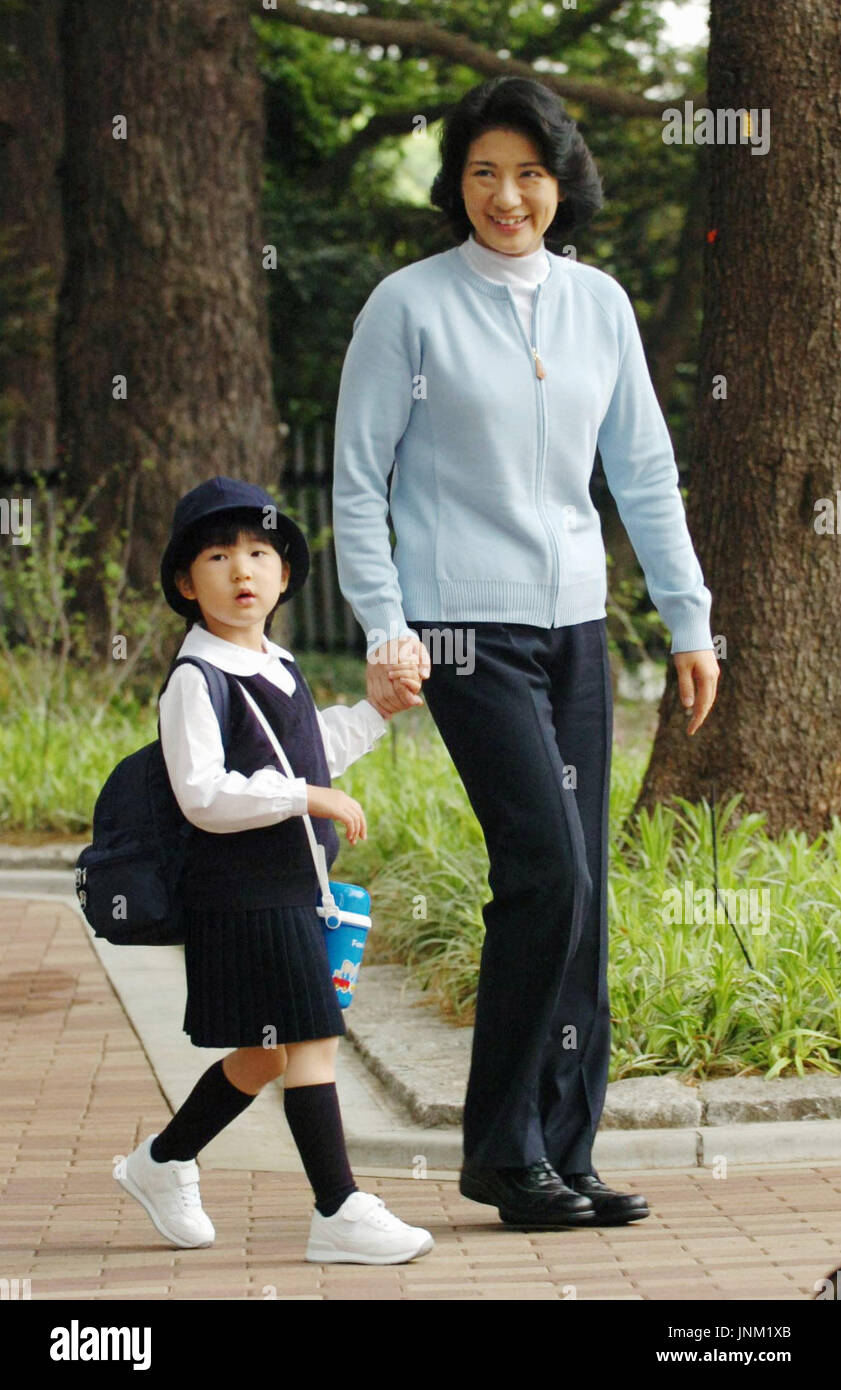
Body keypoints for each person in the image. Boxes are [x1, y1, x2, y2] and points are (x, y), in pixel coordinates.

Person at [332, 76, 720, 1230]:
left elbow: (642, 472)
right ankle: (502, 1151)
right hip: (460, 626)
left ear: (562, 184)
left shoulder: (598, 304)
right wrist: (384, 623)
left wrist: (689, 619)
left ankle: (565, 1146)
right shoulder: (407, 306)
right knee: (545, 866)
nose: (509, 194)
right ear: (458, 182)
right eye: (486, 171)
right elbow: (359, 480)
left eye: (531, 172)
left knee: (583, 887)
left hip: (573, 625)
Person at [116, 475, 432, 1265]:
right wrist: (309, 797)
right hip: (240, 897)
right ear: (187, 584)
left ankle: (161, 1162)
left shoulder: (277, 663)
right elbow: (202, 794)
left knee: (265, 1055)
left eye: (259, 552)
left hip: (289, 892)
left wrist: (373, 715)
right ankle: (337, 1210)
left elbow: (305, 752)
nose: (241, 569)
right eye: (217, 556)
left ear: (284, 575)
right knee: (313, 1042)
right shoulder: (198, 678)